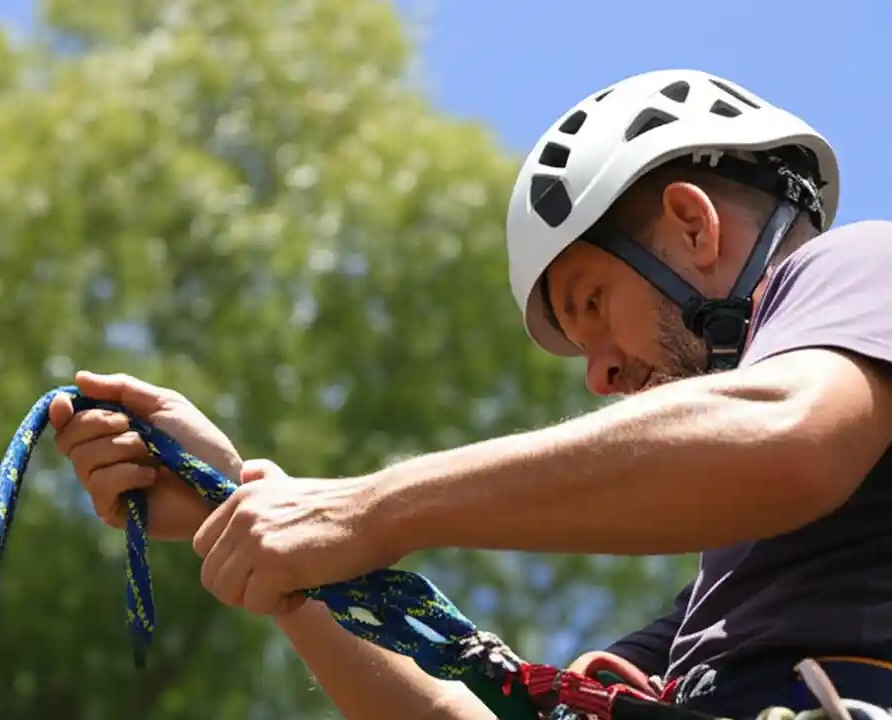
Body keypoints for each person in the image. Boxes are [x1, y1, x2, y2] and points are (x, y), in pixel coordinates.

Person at [48, 68, 892, 719]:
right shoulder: (722, 604)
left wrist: (374, 509)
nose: (599, 375)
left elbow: (792, 434)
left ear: (693, 224)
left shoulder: (857, 266)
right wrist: (233, 507)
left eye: (592, 305)